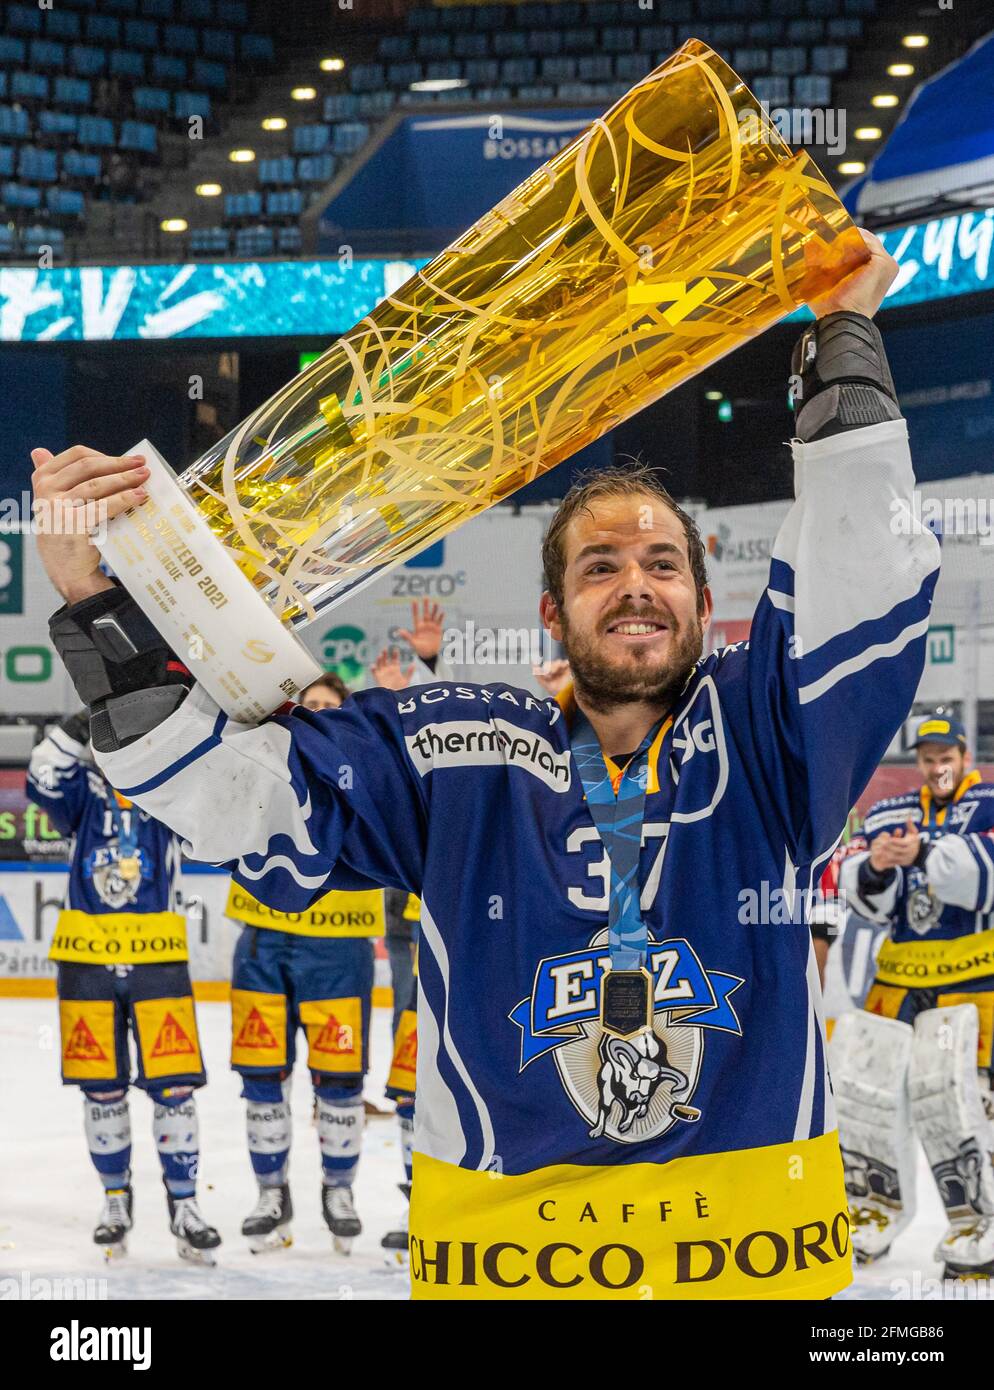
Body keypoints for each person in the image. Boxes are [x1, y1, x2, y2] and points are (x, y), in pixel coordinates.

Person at [33, 230, 941, 1299]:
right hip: (509, 1273)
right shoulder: (458, 749)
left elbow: (861, 581)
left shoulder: (765, 742)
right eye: (601, 567)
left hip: (747, 1273)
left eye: (663, 563)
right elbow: (241, 796)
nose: (637, 585)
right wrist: (101, 603)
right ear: (552, 614)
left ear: (704, 601)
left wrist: (842, 333)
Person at [26, 711, 220, 1264]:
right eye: (110, 733)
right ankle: (115, 1199)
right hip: (86, 963)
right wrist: (82, 713)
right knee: (102, 1090)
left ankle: (185, 1205)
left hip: (159, 961)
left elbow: (213, 792)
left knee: (175, 1089)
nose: (121, 741)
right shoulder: (82, 792)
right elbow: (40, 774)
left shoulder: (168, 788)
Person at [223, 670, 380, 1254]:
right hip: (263, 941)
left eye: (327, 708)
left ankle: (339, 1192)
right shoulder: (256, 759)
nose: (315, 715)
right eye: (306, 706)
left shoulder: (364, 773)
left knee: (340, 1080)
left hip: (339, 947)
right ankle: (271, 1193)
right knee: (261, 1074)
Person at [833, 711, 994, 1276]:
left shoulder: (990, 804)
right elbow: (853, 880)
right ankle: (872, 1215)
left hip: (973, 985)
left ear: (964, 756)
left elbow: (985, 872)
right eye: (927, 757)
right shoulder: (886, 812)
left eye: (945, 755)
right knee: (866, 1098)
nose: (936, 765)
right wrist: (875, 867)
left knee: (953, 1100)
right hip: (895, 981)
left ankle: (979, 1225)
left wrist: (925, 853)